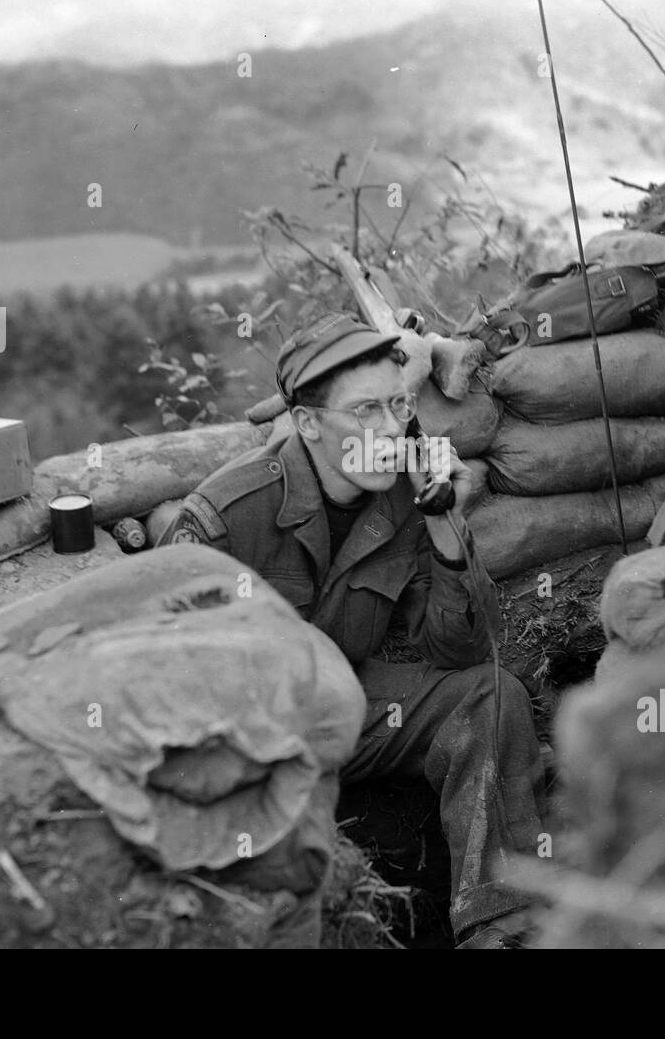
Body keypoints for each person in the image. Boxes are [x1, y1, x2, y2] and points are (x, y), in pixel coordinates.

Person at [157, 310, 548, 948]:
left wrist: (444, 522)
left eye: (398, 406)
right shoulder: (226, 517)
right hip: (249, 739)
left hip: (350, 711)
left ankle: (500, 926)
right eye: (365, 412)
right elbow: (164, 681)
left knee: (492, 695)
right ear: (307, 423)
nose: (391, 429)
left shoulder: (405, 496)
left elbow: (463, 649)